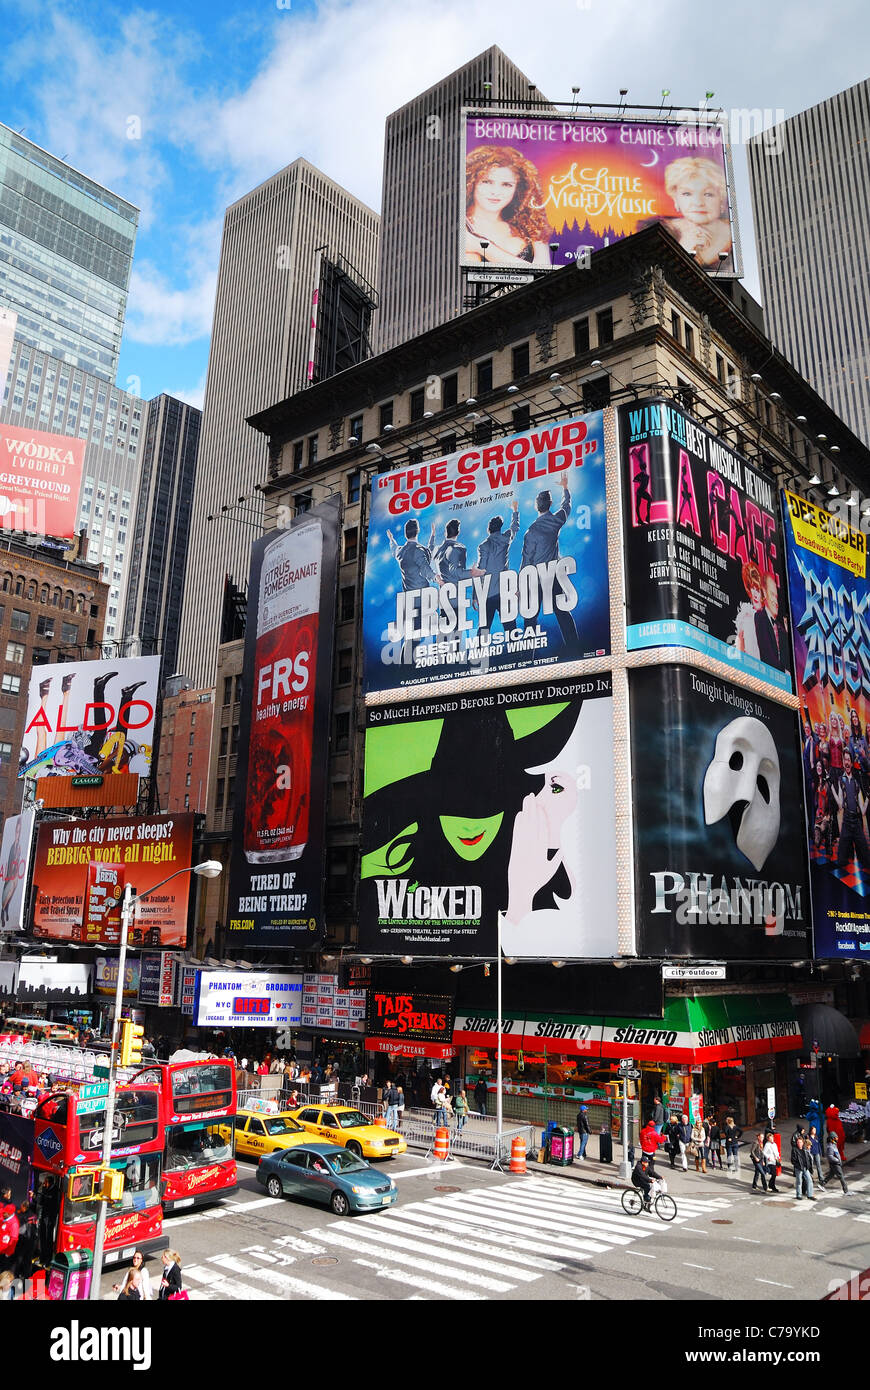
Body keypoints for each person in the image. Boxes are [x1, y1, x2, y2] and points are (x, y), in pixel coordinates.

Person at [464, 144, 551, 269]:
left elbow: (544, 272)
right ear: (471, 183)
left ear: (518, 188)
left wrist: (481, 246)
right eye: (487, 182)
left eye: (506, 185)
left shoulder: (529, 224)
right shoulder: (463, 226)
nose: (496, 192)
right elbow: (474, 281)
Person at [519, 477, 578, 649]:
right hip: (553, 576)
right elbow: (566, 506)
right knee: (562, 613)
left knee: (530, 618)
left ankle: (528, 656)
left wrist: (519, 586)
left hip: (536, 580)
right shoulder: (556, 521)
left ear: (536, 505)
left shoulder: (531, 531)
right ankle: (575, 648)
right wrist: (565, 488)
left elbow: (526, 561)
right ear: (550, 504)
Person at [662, 156, 733, 269]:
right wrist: (682, 248)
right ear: (675, 198)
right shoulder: (660, 231)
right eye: (687, 194)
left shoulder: (735, 235)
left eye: (708, 194)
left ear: (721, 198)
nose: (698, 203)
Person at [477, 501, 520, 635]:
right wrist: (515, 511)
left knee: (483, 629)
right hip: (504, 592)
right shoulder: (505, 539)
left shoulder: (483, 546)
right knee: (510, 628)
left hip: (488, 593)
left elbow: (480, 572)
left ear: (488, 529)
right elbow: (514, 527)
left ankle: (477, 655)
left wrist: (475, 595)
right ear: (500, 528)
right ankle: (517, 655)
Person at [832, 752, 870, 871]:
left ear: (852, 763)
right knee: (841, 861)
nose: (847, 762)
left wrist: (868, 797)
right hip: (847, 822)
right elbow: (840, 804)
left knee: (867, 861)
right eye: (845, 760)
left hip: (857, 822)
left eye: (849, 760)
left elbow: (863, 811)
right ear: (843, 763)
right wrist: (832, 787)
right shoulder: (840, 780)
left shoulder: (856, 782)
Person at [388, 519, 436, 593]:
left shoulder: (400, 552)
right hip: (423, 595)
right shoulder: (420, 550)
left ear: (405, 534)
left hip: (407, 597)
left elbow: (394, 548)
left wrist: (391, 539)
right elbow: (426, 566)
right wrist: (436, 578)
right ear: (418, 531)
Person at [733, 561, 764, 660]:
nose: (755, 594)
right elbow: (739, 650)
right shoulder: (746, 617)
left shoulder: (769, 622)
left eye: (757, 589)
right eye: (752, 588)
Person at [793, 1135, 815, 1201]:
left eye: (800, 1142)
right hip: (799, 1168)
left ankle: (810, 1195)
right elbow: (793, 1160)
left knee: (809, 1180)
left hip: (805, 1168)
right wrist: (798, 1165)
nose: (799, 1143)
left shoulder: (804, 1150)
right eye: (798, 1142)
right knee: (799, 1182)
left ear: (803, 1143)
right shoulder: (795, 1150)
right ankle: (798, 1195)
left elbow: (807, 1159)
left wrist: (809, 1167)